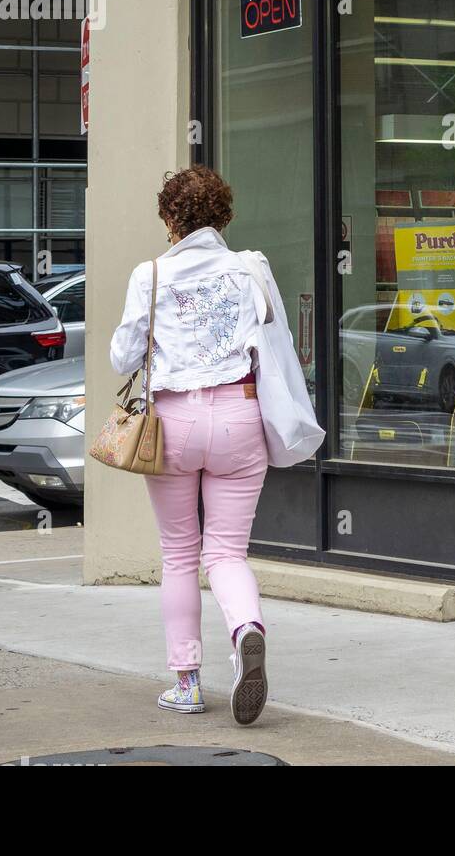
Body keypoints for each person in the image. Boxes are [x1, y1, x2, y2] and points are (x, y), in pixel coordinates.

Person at [109, 164, 274, 725]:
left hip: (173, 423)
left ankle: (186, 684)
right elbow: (273, 344)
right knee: (227, 553)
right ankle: (247, 629)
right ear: (223, 216)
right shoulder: (248, 269)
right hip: (239, 416)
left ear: (168, 217)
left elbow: (122, 359)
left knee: (180, 555)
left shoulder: (149, 274)